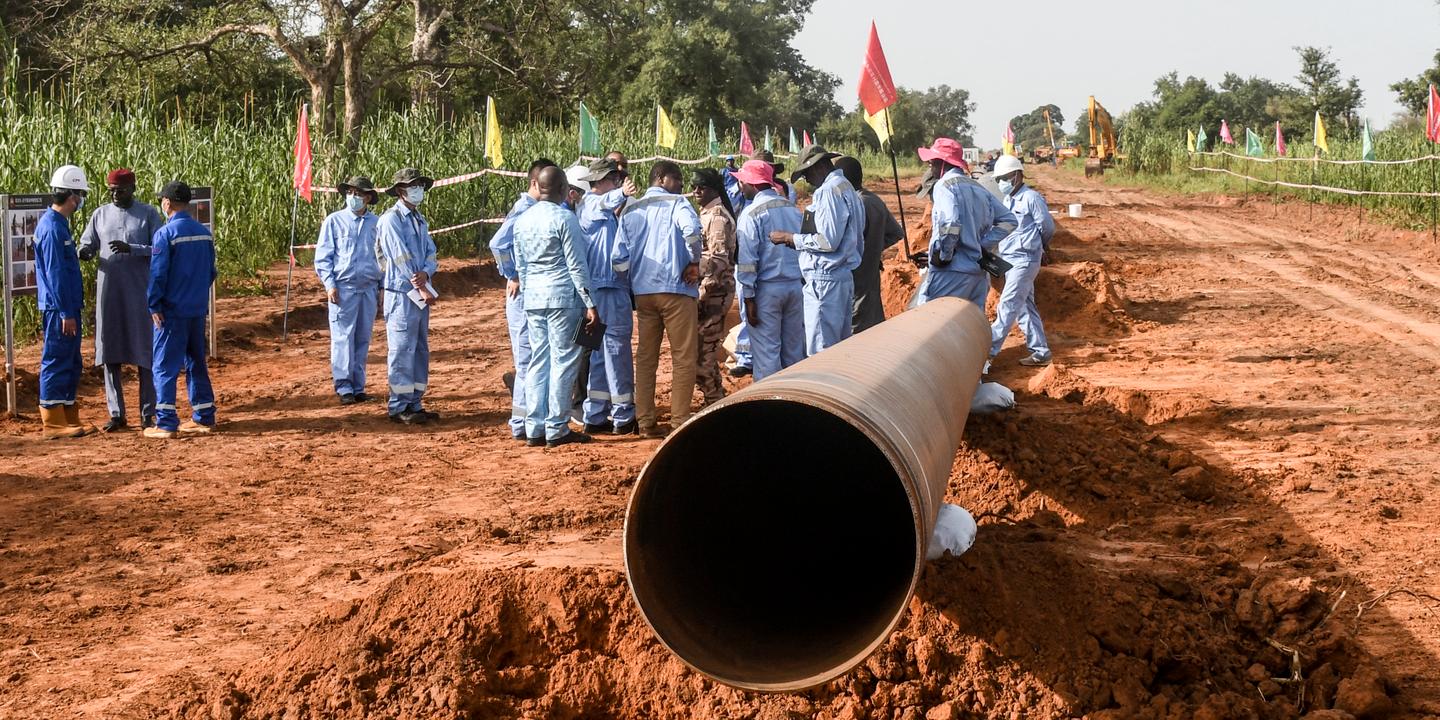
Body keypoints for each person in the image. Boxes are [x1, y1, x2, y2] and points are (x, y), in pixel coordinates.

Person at [612, 160, 703, 438]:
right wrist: (694, 262)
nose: (682, 187)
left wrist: (634, 280)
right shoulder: (678, 205)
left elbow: (619, 258)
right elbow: (691, 232)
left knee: (646, 358)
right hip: (677, 290)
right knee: (683, 358)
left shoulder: (632, 209)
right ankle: (678, 422)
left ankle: (647, 423)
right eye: (678, 180)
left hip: (644, 295)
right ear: (662, 178)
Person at [513, 166, 601, 447]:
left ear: (538, 187)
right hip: (563, 297)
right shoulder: (565, 218)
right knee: (564, 361)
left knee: (539, 360)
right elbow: (577, 265)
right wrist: (590, 303)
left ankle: (535, 426)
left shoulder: (522, 221)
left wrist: (527, 295)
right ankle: (557, 427)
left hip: (534, 299)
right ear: (563, 189)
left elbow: (521, 267)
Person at [77, 168, 165, 432]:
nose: (115, 195)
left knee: (144, 353)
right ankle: (117, 414)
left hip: (139, 294)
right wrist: (85, 250)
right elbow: (88, 241)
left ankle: (148, 413)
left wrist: (134, 249)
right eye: (112, 190)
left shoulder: (148, 214)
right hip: (110, 295)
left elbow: (160, 248)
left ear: (133, 189)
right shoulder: (100, 214)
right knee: (110, 352)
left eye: (121, 190)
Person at [770, 144, 864, 356]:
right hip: (839, 277)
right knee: (839, 349)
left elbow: (828, 241)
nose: (808, 181)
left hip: (825, 281)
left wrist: (790, 238)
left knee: (822, 352)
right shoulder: (846, 187)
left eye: (807, 174)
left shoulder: (829, 191)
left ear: (818, 166)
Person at [144, 180, 218, 439]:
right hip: (196, 311)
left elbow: (158, 275)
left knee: (165, 366)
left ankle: (165, 422)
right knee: (196, 362)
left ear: (167, 203)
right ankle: (204, 416)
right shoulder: (203, 233)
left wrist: (154, 304)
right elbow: (211, 272)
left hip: (171, 313)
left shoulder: (165, 235)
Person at [491, 158, 556, 439]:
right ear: (534, 183)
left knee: (537, 357)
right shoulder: (524, 209)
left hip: (536, 293)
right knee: (528, 359)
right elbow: (498, 243)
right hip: (523, 294)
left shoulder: (540, 208)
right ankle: (521, 423)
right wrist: (513, 273)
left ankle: (530, 419)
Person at [914, 138, 1016, 309]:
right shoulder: (978, 188)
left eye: (932, 164)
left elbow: (950, 223)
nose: (931, 168)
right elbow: (1010, 221)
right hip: (977, 274)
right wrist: (980, 245)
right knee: (969, 329)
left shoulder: (943, 186)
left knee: (935, 325)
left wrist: (944, 255)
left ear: (942, 163)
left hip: (951, 274)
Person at [575, 158, 636, 435]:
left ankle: (595, 413)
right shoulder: (592, 203)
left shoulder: (597, 208)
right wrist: (622, 194)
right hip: (608, 288)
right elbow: (605, 202)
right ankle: (623, 415)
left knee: (600, 354)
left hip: (599, 288)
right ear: (601, 182)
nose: (618, 183)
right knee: (616, 352)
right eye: (615, 179)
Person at [34, 164, 94, 439]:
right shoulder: (52, 229)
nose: (80, 200)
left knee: (71, 360)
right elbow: (56, 274)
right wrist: (66, 312)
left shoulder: (59, 225)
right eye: (80, 195)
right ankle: (53, 421)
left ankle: (68, 413)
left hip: (67, 307)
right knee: (57, 359)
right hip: (60, 309)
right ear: (72, 196)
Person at [376, 167, 439, 426]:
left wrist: (426, 271)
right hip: (402, 294)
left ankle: (415, 401)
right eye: (413, 186)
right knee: (402, 349)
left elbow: (431, 251)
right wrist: (418, 281)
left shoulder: (418, 218)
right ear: (401, 191)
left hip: (419, 292)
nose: (418, 190)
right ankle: (399, 404)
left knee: (419, 349)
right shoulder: (391, 220)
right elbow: (400, 257)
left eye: (420, 186)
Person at [732, 159, 804, 381]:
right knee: (794, 353)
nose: (739, 186)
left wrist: (749, 298)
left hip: (766, 291)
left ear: (752, 184)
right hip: (795, 287)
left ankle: (769, 409)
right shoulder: (793, 209)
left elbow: (747, 261)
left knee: (766, 355)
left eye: (742, 181)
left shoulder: (752, 214)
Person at [314, 176, 382, 405]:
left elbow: (383, 258)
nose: (354, 197)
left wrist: (381, 288)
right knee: (343, 338)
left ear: (368, 198)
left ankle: (358, 386)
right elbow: (323, 257)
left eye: (359, 193)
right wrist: (330, 284)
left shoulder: (377, 224)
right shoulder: (334, 221)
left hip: (369, 289)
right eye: (350, 192)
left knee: (362, 338)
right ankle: (344, 387)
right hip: (344, 289)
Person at [990, 155, 1054, 367]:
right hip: (1010, 258)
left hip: (1025, 258)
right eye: (999, 179)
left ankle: (988, 350)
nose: (1002, 183)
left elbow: (1047, 227)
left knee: (1008, 304)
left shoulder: (1031, 198)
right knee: (1025, 306)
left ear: (1017, 175)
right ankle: (1040, 351)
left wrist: (1040, 247)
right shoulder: (1008, 200)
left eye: (1005, 177)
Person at [833, 157, 905, 334]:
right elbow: (896, 233)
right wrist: (874, 249)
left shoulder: (854, 205)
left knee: (854, 332)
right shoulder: (874, 200)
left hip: (854, 281)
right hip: (870, 278)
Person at [691, 168, 737, 405]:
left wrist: (701, 294)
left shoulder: (717, 217)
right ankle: (714, 395)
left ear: (713, 189)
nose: (696, 191)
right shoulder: (707, 213)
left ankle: (714, 399)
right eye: (694, 187)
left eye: (701, 187)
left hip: (714, 292)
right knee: (703, 349)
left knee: (702, 351)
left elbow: (718, 260)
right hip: (711, 291)